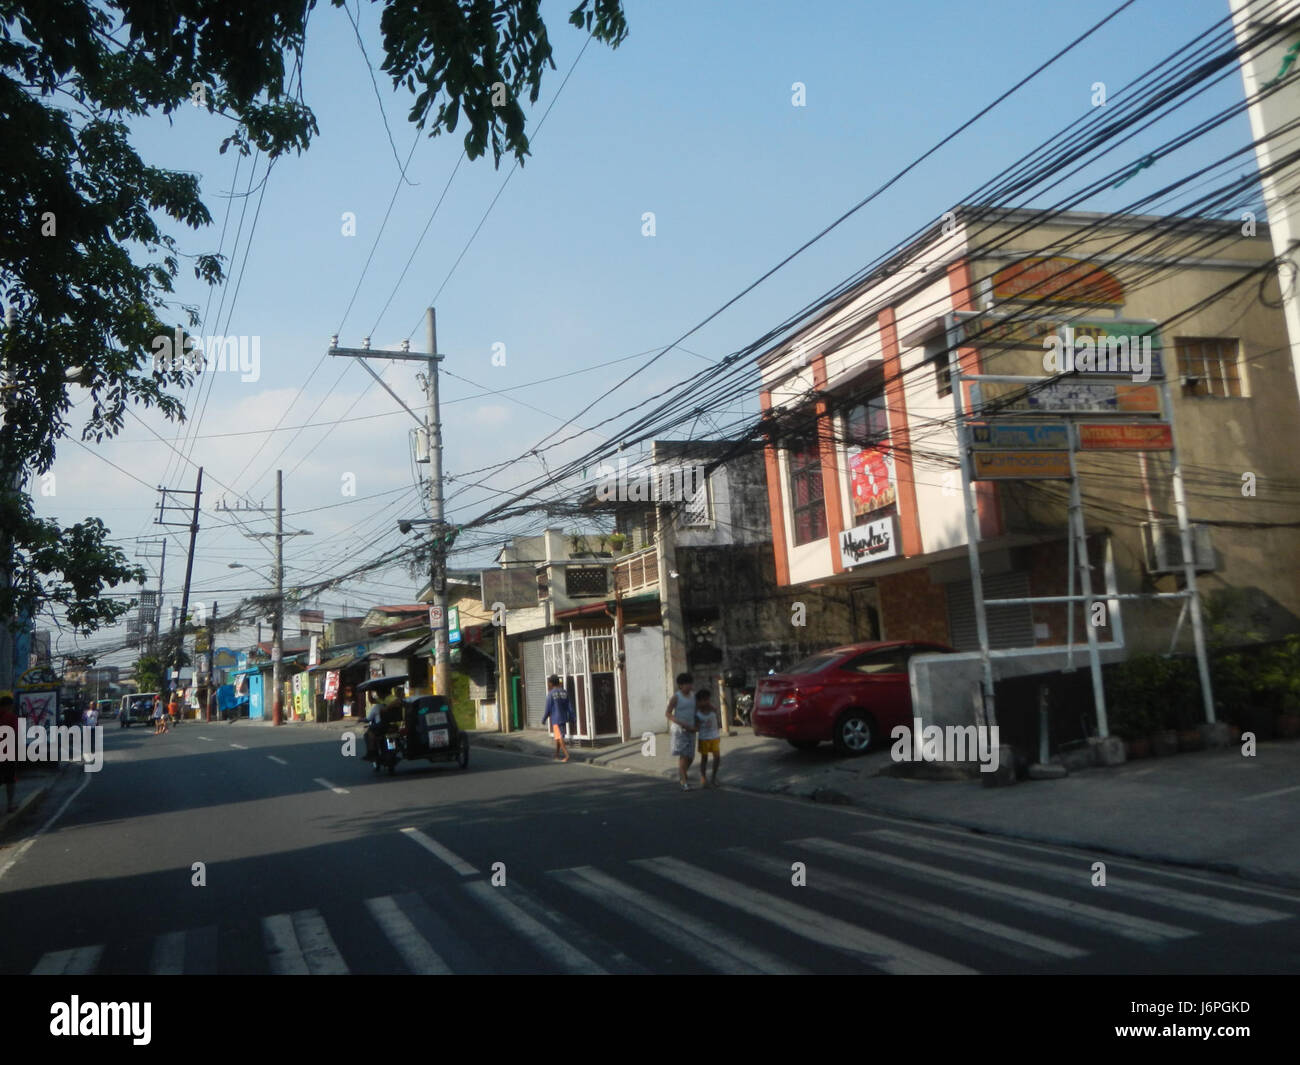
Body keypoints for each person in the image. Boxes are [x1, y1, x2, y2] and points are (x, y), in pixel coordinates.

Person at [665, 673, 698, 791]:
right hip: (680, 730)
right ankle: (684, 781)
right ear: (680, 685)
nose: (689, 686)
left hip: (691, 729)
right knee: (683, 756)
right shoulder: (676, 697)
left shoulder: (693, 696)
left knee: (691, 756)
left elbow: (695, 711)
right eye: (686, 684)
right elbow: (668, 713)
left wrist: (697, 724)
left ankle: (682, 773)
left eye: (690, 683)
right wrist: (680, 722)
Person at [541, 675, 571, 762]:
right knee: (558, 736)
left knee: (560, 736)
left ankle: (566, 755)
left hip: (555, 719)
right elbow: (569, 706)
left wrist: (544, 719)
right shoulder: (564, 692)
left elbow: (548, 709)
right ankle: (557, 754)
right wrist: (572, 716)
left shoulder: (550, 694)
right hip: (563, 717)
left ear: (551, 683)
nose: (548, 684)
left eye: (549, 682)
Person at [695, 689, 721, 788]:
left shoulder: (713, 710)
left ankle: (713, 777)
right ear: (698, 701)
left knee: (717, 757)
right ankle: (703, 777)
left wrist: (718, 734)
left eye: (707, 699)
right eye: (703, 700)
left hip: (714, 737)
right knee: (704, 758)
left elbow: (717, 721)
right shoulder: (697, 714)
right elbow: (696, 727)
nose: (706, 702)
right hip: (703, 738)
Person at [0, 694, 19, 813]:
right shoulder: (11, 717)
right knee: (10, 781)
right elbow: (15, 735)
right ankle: (10, 805)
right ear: (9, 706)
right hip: (8, 753)